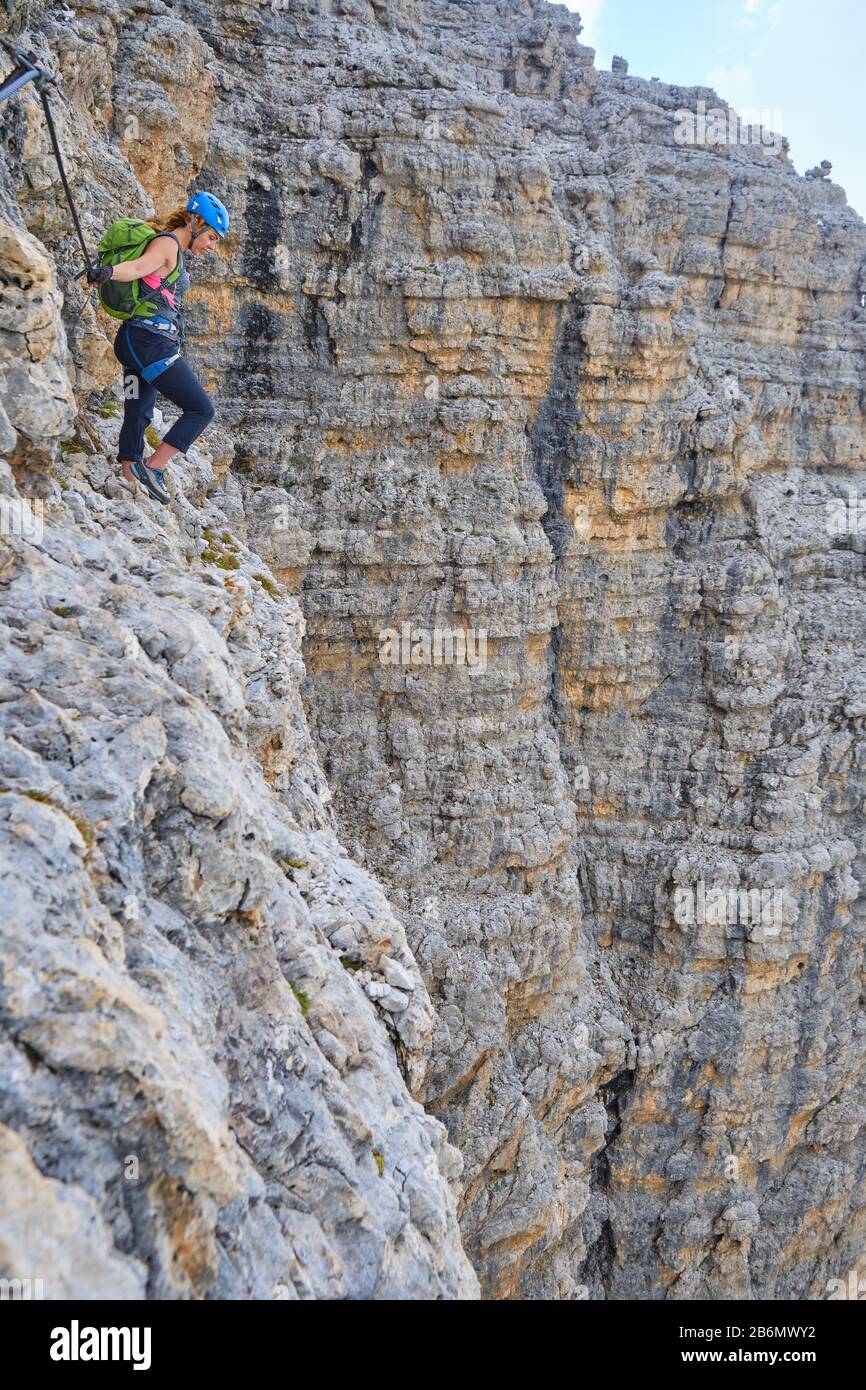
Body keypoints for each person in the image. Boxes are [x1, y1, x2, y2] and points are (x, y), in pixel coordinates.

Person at [87, 192, 229, 505]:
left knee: (137, 406)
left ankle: (129, 474)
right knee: (201, 409)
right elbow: (138, 267)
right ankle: (153, 468)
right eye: (212, 237)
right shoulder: (167, 245)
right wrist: (110, 273)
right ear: (196, 222)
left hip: (132, 344)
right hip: (151, 343)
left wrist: (108, 272)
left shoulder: (173, 248)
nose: (211, 246)